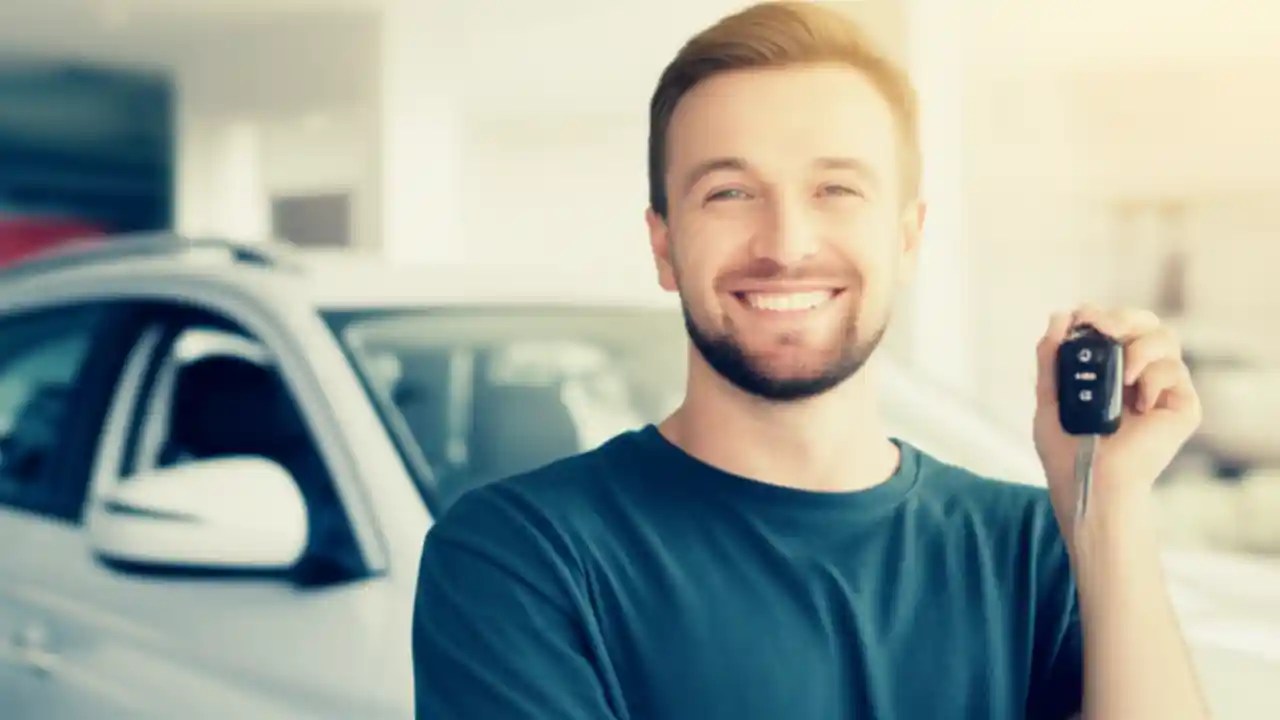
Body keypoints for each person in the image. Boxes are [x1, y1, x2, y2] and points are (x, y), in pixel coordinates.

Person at [411, 3, 1210, 718]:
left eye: (836, 190)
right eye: (729, 192)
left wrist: (1105, 506)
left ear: (906, 238)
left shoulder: (1036, 548)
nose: (787, 244)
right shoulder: (519, 558)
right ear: (663, 245)